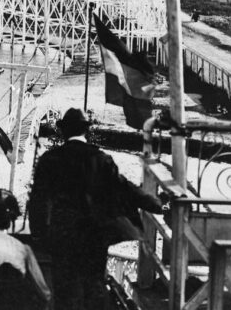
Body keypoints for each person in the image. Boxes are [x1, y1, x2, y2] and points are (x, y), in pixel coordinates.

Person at [28, 107, 163, 310]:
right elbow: (124, 189)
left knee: (65, 291)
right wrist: (155, 204)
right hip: (93, 236)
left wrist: (39, 234)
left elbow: (38, 200)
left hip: (62, 236)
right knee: (93, 287)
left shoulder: (49, 159)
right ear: (85, 131)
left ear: (63, 132)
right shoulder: (100, 159)